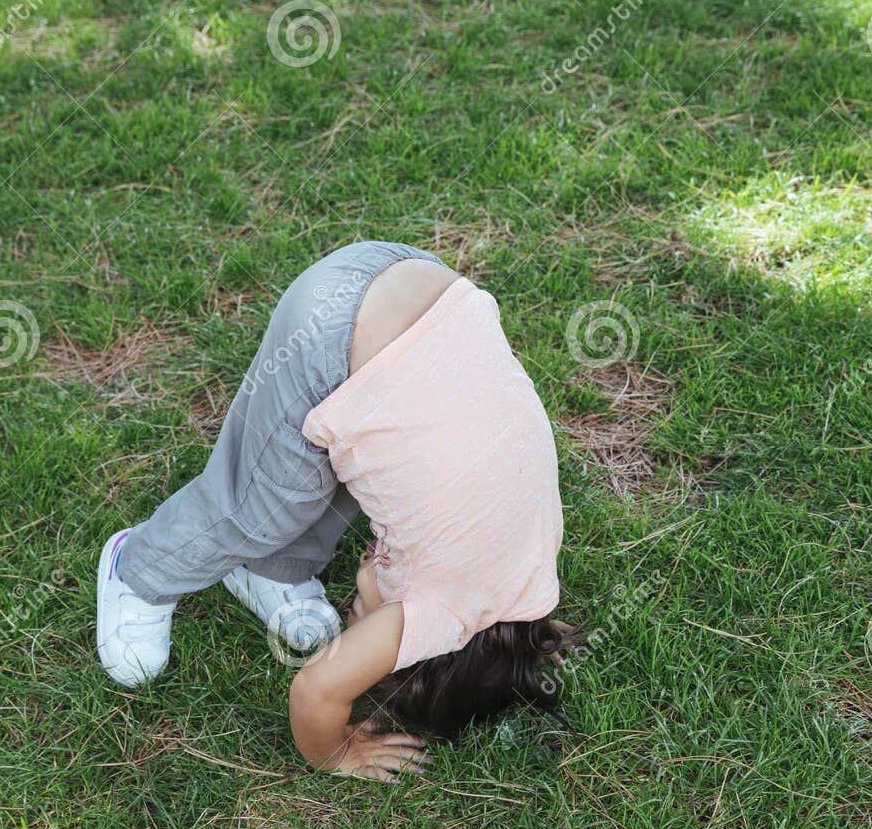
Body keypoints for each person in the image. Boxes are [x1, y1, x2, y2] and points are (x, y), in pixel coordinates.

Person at [96, 241, 571, 781]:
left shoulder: (532, 579)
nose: (352, 616)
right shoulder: (442, 617)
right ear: (421, 655)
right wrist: (337, 753)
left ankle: (275, 568)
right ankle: (139, 572)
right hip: (332, 330)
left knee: (355, 463)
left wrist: (519, 655)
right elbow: (316, 690)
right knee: (261, 506)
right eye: (362, 620)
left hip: (420, 284)